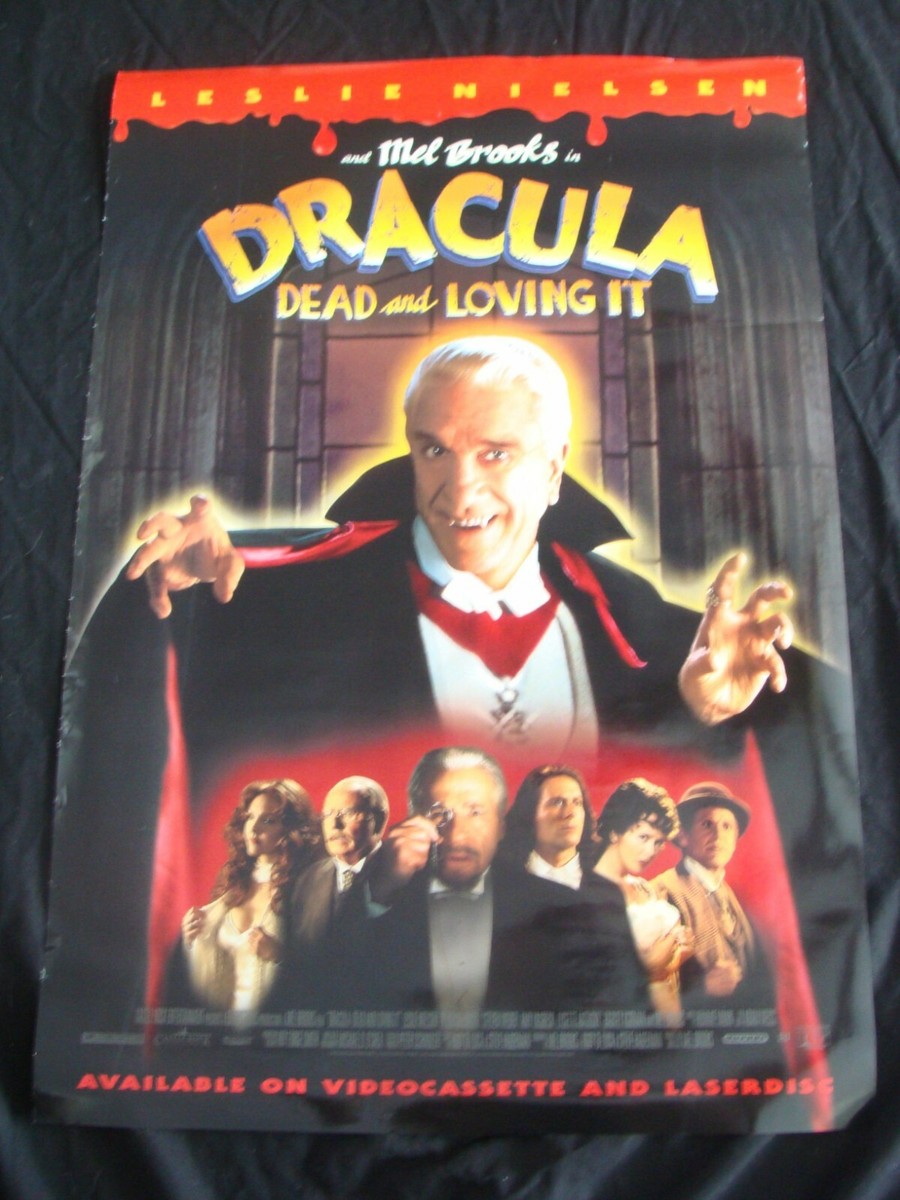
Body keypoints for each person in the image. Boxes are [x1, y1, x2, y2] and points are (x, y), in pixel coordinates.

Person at [353, 746, 647, 1022]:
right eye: (439, 814)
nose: (457, 835)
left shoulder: (567, 905)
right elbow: (339, 977)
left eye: (475, 812)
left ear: (500, 826)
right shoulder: (377, 895)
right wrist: (380, 893)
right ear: (413, 821)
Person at [179, 778, 321, 1020]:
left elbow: (328, 976)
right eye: (249, 817)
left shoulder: (310, 888)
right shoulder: (233, 887)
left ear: (290, 829)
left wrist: (280, 956)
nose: (253, 829)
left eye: (268, 820)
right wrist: (191, 938)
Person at [654, 781, 774, 1009]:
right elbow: (642, 984)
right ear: (683, 835)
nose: (718, 835)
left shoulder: (730, 896)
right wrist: (702, 988)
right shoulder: (662, 891)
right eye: (707, 824)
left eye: (727, 826)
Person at [589, 778, 692, 1024]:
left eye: (658, 842)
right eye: (643, 837)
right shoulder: (584, 890)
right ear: (615, 832)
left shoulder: (644, 888)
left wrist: (676, 957)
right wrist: (653, 969)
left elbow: (663, 969)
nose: (650, 852)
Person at [288, 775, 388, 956]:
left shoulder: (407, 876)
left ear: (378, 821)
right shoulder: (308, 879)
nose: (335, 825)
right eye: (327, 815)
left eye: (348, 813)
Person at [501, 763, 594, 888]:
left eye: (577, 802)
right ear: (530, 813)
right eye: (557, 803)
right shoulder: (502, 878)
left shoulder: (606, 877)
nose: (570, 813)